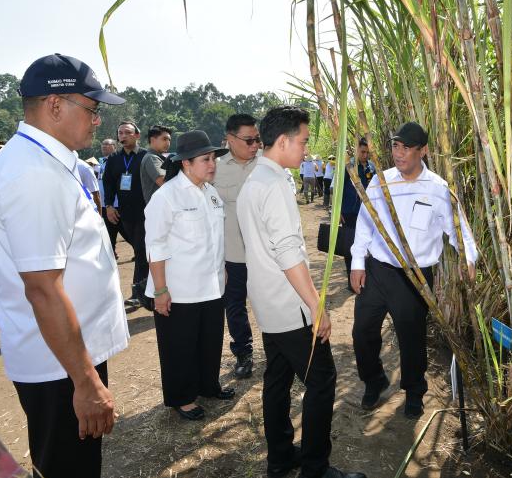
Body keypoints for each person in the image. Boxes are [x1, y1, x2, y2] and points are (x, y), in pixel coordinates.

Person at [0, 53, 129, 478]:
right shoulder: (33, 174)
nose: (97, 121)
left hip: (66, 352)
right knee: (69, 467)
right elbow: (43, 288)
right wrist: (85, 382)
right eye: (92, 109)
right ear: (54, 105)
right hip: (59, 365)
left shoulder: (45, 161)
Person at [238, 106, 365, 478]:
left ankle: (280, 458)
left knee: (277, 379)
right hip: (290, 305)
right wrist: (316, 305)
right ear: (283, 141)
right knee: (321, 381)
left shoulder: (255, 179)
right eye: (304, 141)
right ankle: (315, 468)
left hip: (268, 301)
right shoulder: (273, 184)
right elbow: (288, 252)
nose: (306, 149)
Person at [349, 122, 477, 420]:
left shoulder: (437, 188)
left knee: (411, 336)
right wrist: (357, 263)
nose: (399, 153)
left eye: (407, 148)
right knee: (362, 330)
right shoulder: (381, 181)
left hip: (414, 276)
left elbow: (459, 229)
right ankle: (374, 380)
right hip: (378, 270)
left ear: (423, 151)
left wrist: (468, 258)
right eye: (396, 146)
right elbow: (365, 224)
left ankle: (414, 391)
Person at [144, 130, 235, 421]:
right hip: (179, 288)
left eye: (213, 159)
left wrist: (222, 269)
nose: (212, 164)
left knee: (209, 340)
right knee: (179, 345)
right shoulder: (166, 196)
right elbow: (155, 246)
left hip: (211, 284)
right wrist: (160, 290)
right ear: (186, 163)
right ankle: (182, 397)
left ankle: (208, 385)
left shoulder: (210, 192)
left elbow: (215, 238)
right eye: (205, 159)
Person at [211, 114, 259, 380]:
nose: (254, 145)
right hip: (231, 255)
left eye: (257, 139)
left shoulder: (267, 164)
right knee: (235, 307)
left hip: (264, 254)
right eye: (248, 140)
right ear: (230, 139)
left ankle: (279, 351)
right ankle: (244, 353)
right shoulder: (214, 169)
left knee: (270, 303)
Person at [103, 120, 148, 307]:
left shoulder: (146, 156)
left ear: (137, 135)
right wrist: (108, 206)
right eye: (120, 133)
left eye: (127, 132)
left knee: (141, 250)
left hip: (146, 212)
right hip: (124, 214)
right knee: (141, 250)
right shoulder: (114, 159)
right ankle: (149, 287)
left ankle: (138, 293)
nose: (123, 136)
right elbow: (108, 183)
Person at [336, 138, 375, 288]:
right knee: (349, 245)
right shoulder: (349, 166)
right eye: (362, 152)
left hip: (367, 214)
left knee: (367, 246)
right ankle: (351, 281)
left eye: (367, 153)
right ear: (356, 150)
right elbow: (338, 188)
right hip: (349, 213)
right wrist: (338, 211)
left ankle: (364, 279)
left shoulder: (371, 167)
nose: (365, 155)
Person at [97, 138, 124, 257]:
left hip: (117, 204)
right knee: (108, 233)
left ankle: (141, 253)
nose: (104, 146)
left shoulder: (119, 161)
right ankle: (111, 254)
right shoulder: (100, 162)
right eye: (103, 144)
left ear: (115, 147)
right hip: (105, 204)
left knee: (126, 231)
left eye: (107, 144)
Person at [140, 125, 172, 205]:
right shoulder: (151, 158)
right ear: (152, 140)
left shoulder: (158, 158)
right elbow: (164, 183)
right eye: (164, 139)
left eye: (169, 140)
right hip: (158, 208)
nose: (168, 143)